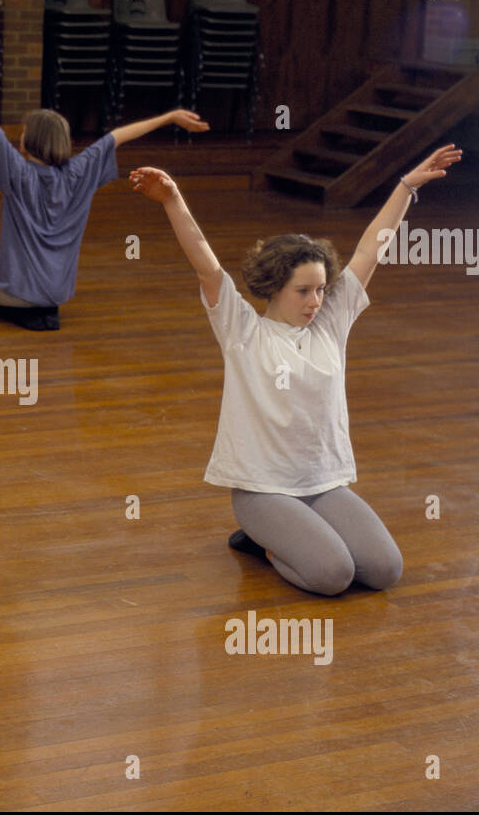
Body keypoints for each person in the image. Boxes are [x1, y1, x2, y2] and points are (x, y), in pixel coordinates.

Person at [130, 144, 462, 595]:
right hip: (262, 490)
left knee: (384, 571)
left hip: (320, 483)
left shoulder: (331, 323)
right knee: (332, 575)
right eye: (303, 291)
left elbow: (371, 247)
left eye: (322, 289)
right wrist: (173, 199)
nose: (316, 301)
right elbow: (205, 259)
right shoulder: (242, 329)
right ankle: (262, 541)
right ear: (274, 287)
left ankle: (289, 535)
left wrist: (405, 187)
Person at [0, 49, 210, 330]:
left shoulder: (18, 173)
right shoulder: (79, 173)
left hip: (20, 293)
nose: (21, 134)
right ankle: (42, 310)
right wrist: (169, 118)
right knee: (13, 287)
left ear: (33, 140)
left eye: (26, 131)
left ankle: (21, 310)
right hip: (58, 293)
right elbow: (119, 136)